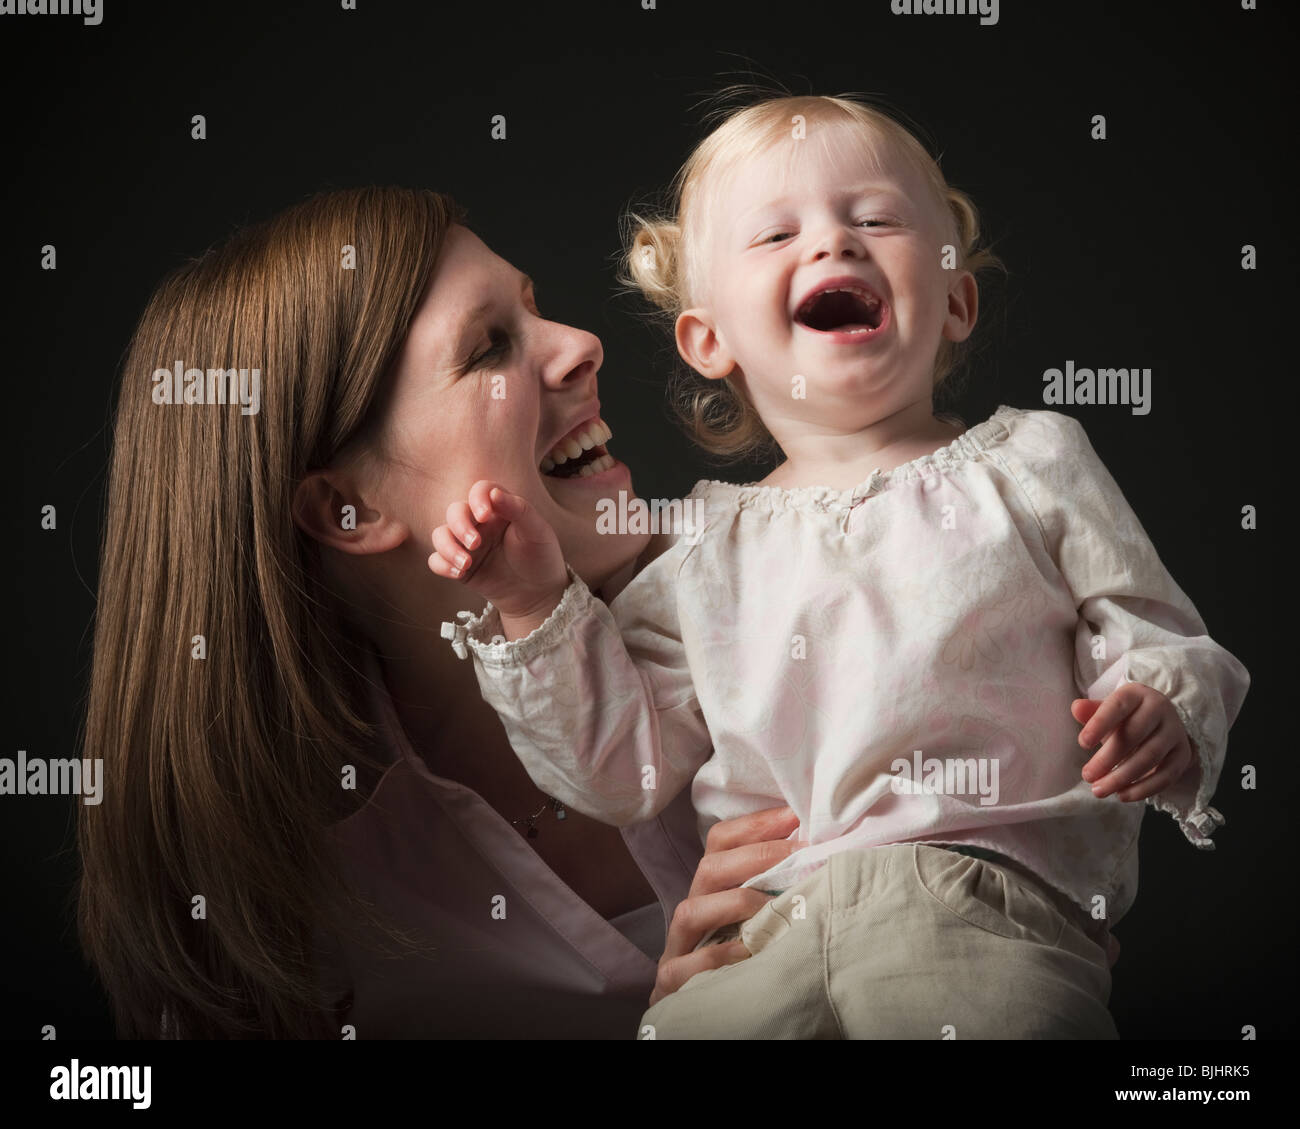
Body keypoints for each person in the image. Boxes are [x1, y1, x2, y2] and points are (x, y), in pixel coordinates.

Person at [429, 94, 1251, 1038]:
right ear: (709, 342)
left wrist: (1161, 707)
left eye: (875, 219)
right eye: (776, 234)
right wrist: (533, 603)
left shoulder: (1032, 464)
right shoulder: (701, 546)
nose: (834, 246)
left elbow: (1156, 631)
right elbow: (623, 769)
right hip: (761, 935)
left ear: (954, 300)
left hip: (978, 907)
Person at [76, 185, 797, 1038]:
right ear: (350, 509)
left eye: (537, 310)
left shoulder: (785, 599)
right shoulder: (290, 914)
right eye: (489, 347)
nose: (581, 345)